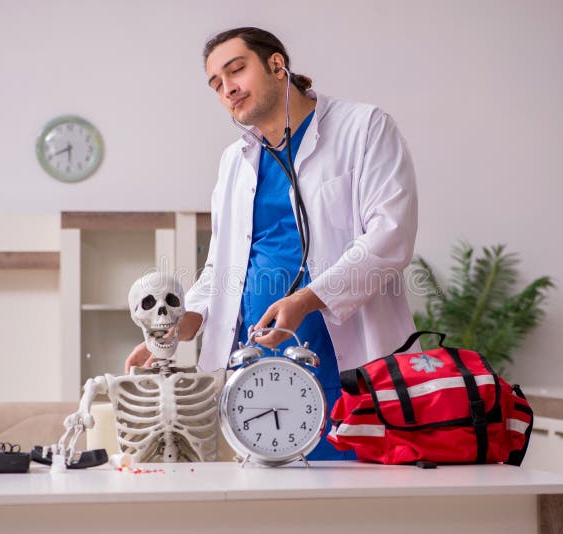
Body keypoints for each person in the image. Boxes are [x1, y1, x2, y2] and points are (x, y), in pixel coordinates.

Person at [125, 27, 418, 460]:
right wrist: (189, 319)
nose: (227, 88)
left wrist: (306, 299)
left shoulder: (364, 128)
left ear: (278, 65)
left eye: (235, 69)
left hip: (345, 362)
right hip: (255, 373)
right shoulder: (234, 161)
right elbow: (221, 265)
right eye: (216, 84)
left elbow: (390, 235)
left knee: (355, 501)